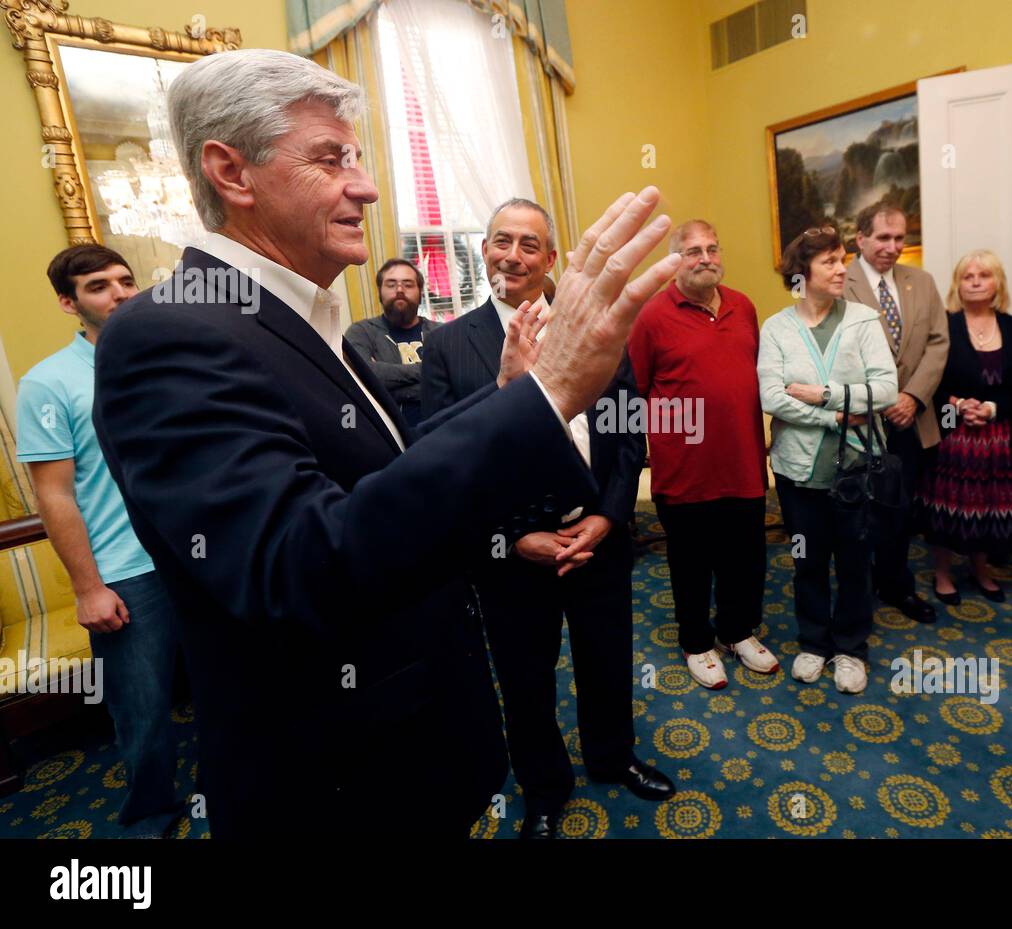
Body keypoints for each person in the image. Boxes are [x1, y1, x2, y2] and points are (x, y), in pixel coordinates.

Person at [90, 49, 681, 838]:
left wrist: (509, 398)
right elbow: (302, 563)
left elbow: (383, 476)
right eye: (331, 158)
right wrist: (548, 399)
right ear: (232, 173)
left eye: (358, 157)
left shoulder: (299, 317)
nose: (365, 185)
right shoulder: (166, 335)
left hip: (414, 740)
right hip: (339, 786)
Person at [422, 198, 673, 839]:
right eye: (501, 241)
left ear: (551, 259)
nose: (513, 254)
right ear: (483, 249)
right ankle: (543, 788)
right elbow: (438, 456)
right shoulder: (448, 344)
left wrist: (612, 516)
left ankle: (614, 758)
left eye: (529, 244)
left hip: (597, 537)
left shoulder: (596, 329)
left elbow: (627, 430)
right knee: (525, 678)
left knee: (607, 660)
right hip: (511, 552)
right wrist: (509, 537)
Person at [16, 245, 186, 838]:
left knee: (230, 690)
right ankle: (150, 816)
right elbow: (56, 496)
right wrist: (89, 588)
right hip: (126, 572)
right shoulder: (47, 383)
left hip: (198, 558)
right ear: (69, 302)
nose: (119, 294)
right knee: (142, 713)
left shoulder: (169, 363)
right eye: (98, 286)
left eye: (125, 280)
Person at [628, 220, 775, 690]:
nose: (705, 257)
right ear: (674, 261)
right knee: (691, 563)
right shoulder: (652, 315)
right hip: (685, 470)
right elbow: (636, 390)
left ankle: (737, 630)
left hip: (744, 463)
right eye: (693, 251)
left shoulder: (744, 306)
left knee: (746, 558)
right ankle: (696, 640)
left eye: (712, 248)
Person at [758, 224, 898, 694]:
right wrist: (835, 418)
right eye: (831, 262)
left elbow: (885, 389)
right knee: (807, 560)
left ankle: (851, 649)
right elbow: (772, 397)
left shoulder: (862, 319)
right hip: (798, 472)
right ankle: (814, 643)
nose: (842, 269)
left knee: (856, 561)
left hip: (857, 469)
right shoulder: (776, 327)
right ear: (803, 273)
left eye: (843, 259)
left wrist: (824, 394)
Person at [843, 200, 949, 624]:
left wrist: (913, 398)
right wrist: (883, 399)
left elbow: (939, 342)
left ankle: (896, 584)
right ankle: (856, 588)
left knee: (899, 509)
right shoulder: (836, 279)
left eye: (900, 237)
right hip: (860, 421)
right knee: (857, 510)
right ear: (861, 238)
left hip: (912, 419)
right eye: (883, 237)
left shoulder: (921, 282)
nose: (892, 246)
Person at [918, 250, 1012, 604]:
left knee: (986, 507)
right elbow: (928, 380)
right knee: (946, 506)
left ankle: (980, 570)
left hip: (1000, 438)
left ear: (997, 282)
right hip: (952, 433)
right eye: (967, 276)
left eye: (983, 275)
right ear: (957, 284)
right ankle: (942, 573)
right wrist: (957, 404)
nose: (975, 282)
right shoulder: (943, 324)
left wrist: (990, 407)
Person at [343, 258, 438, 427]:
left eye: (408, 285)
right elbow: (363, 380)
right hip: (391, 438)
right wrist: (431, 370)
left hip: (441, 430)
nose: (400, 290)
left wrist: (386, 385)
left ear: (420, 292)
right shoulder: (361, 332)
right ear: (379, 291)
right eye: (391, 284)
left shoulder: (441, 333)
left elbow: (455, 381)